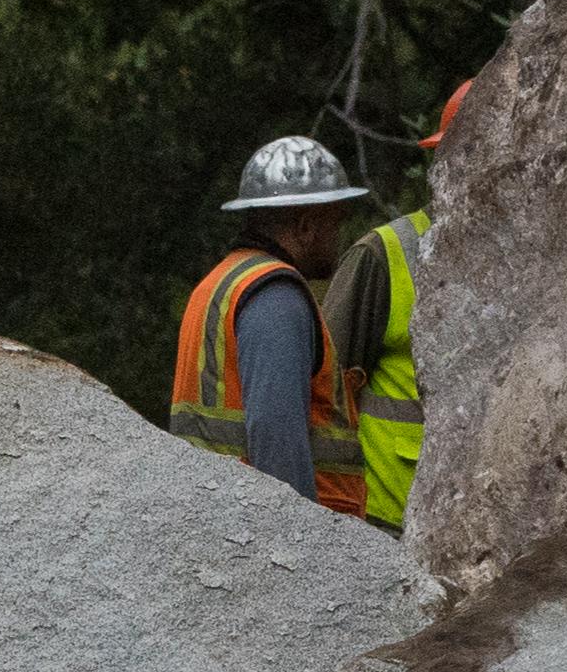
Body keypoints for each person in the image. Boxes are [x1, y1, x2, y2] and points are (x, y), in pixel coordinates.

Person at [168, 135, 370, 514]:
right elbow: (277, 442)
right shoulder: (275, 295)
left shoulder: (221, 282)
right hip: (276, 537)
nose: (339, 237)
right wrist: (302, 543)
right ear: (306, 225)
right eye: (335, 221)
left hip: (221, 519)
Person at [320, 79, 468, 531]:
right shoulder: (384, 255)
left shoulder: (542, 256)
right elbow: (324, 390)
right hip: (391, 517)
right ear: (442, 161)